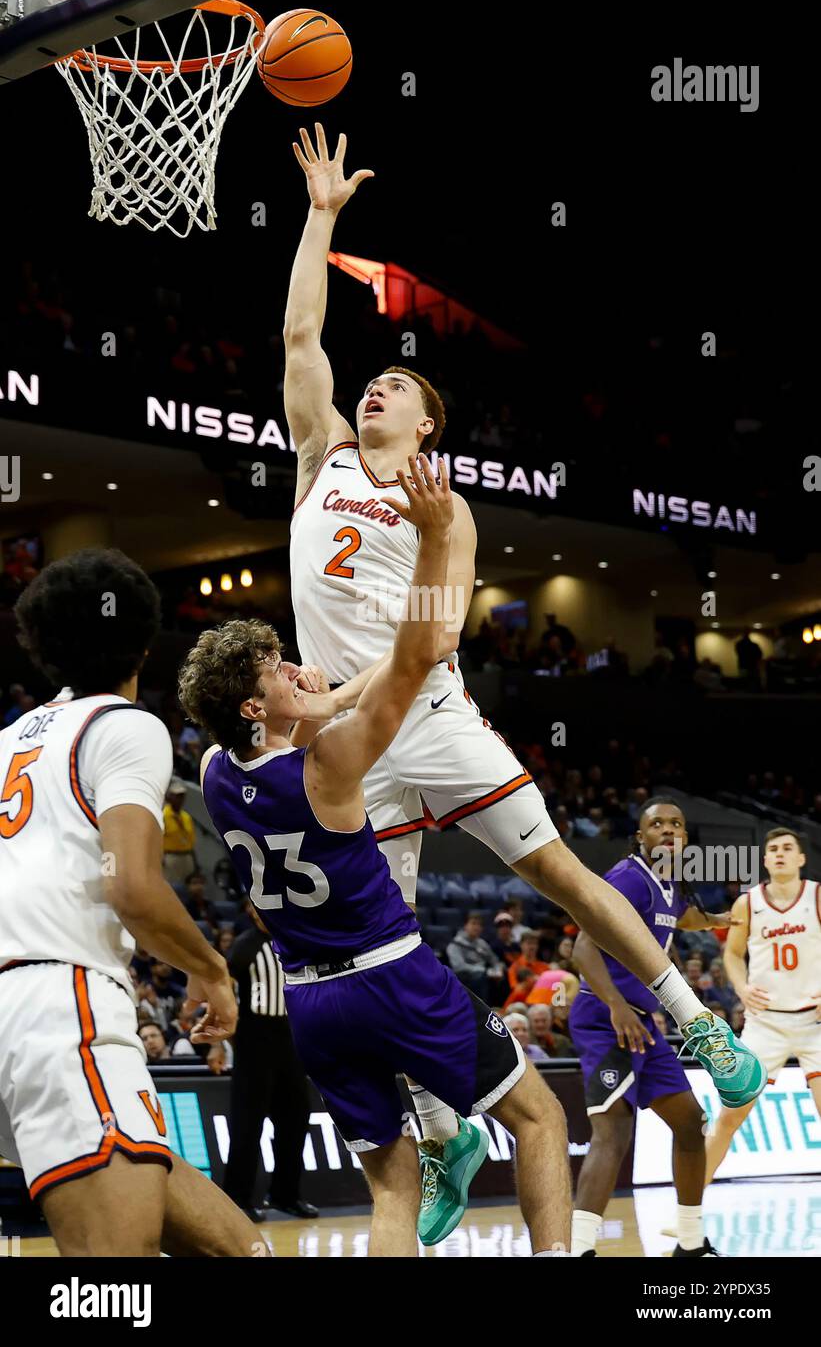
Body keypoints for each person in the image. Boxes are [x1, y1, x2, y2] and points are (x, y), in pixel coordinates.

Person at [281, 121, 771, 1235]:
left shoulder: (444, 507)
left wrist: (346, 698)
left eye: (397, 386)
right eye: (371, 382)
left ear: (429, 422)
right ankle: (446, 1136)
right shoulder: (317, 459)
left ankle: (699, 1024)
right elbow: (301, 332)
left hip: (419, 715)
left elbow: (436, 636)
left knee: (554, 872)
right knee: (372, 957)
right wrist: (318, 219)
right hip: (347, 746)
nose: (374, 392)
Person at [183, 455, 573, 1257]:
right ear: (256, 706)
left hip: (311, 1010)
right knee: (540, 1118)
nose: (298, 668)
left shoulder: (213, 772)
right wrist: (433, 538)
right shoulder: (330, 765)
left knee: (393, 1185)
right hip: (392, 979)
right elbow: (417, 650)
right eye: (280, 672)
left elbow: (256, 734)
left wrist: (301, 707)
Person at [0, 548, 264, 1257]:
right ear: (145, 645)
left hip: (16, 1012)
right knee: (113, 1284)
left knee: (241, 1251)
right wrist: (211, 970)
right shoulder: (124, 725)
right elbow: (132, 888)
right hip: (61, 1001)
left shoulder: (3, 745)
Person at [568, 800, 766, 1259]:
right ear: (641, 836)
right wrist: (616, 1005)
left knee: (691, 1125)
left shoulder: (670, 883)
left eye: (676, 823)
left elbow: (678, 918)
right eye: (656, 823)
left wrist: (716, 920)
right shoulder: (628, 878)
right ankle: (577, 1250)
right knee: (614, 1132)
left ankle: (691, 1244)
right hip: (605, 1017)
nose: (668, 830)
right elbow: (583, 948)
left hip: (642, 1024)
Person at [702, 829, 821, 1185]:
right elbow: (733, 954)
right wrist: (741, 986)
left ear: (801, 858)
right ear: (765, 860)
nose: (780, 854)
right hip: (765, 1023)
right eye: (773, 849)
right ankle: (687, 1213)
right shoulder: (748, 903)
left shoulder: (816, 896)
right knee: (729, 1118)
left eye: (788, 848)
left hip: (814, 1023)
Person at [221, 903, 317, 1224]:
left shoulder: (294, 940)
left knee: (296, 1119)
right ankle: (238, 1198)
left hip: (291, 1041)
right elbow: (224, 995)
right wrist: (222, 1044)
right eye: (255, 908)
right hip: (253, 1043)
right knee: (247, 1125)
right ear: (250, 910)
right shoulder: (242, 947)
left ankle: (286, 1195)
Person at [446, 912, 506, 1004]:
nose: (476, 927)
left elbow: (494, 960)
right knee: (479, 976)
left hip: (484, 974)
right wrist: (483, 970)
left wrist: (497, 970)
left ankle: (499, 1008)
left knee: (503, 975)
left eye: (479, 925)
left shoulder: (482, 943)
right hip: (465, 977)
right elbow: (459, 966)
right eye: (473, 923)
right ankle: (483, 1007)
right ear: (465, 926)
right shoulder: (455, 944)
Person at [162, 778, 198, 886]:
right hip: (171, 857)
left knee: (188, 888)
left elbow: (191, 841)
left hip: (186, 856)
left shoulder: (186, 817)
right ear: (170, 797)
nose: (180, 799)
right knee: (172, 888)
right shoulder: (163, 816)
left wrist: (194, 862)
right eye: (177, 796)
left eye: (182, 796)